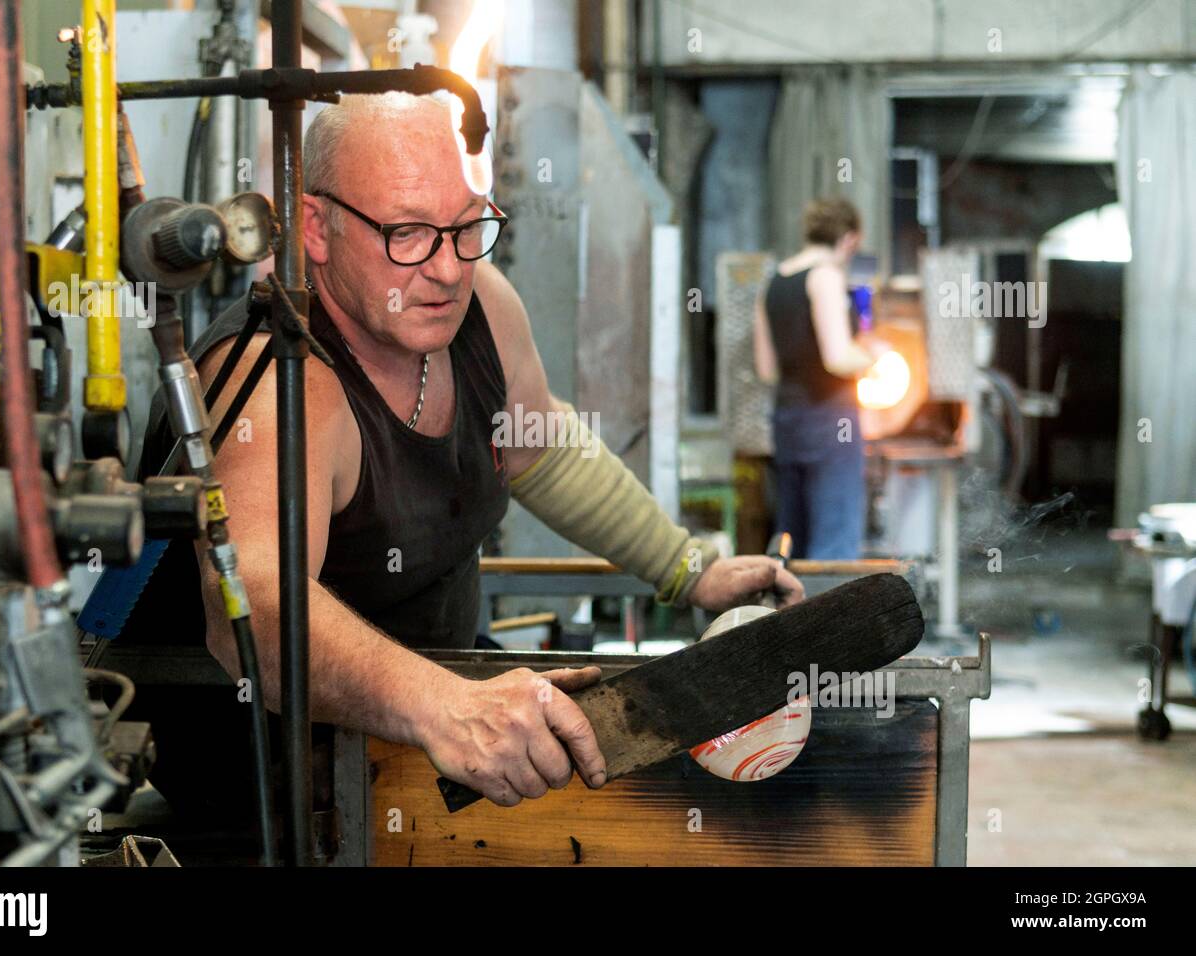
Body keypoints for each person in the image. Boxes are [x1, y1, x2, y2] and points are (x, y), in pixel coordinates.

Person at [129, 92, 804, 814]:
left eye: (465, 227)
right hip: (271, 777)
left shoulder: (480, 305)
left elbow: (541, 448)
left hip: (435, 708)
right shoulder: (281, 382)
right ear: (316, 228)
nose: (449, 269)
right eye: (410, 234)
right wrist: (442, 709)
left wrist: (689, 568)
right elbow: (255, 611)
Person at [753, 197, 887, 560]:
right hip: (830, 421)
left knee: (790, 542)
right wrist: (875, 354)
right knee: (834, 544)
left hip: (786, 420)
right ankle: (833, 617)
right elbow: (838, 357)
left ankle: (787, 617)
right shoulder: (825, 276)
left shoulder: (774, 282)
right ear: (849, 240)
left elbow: (766, 368)